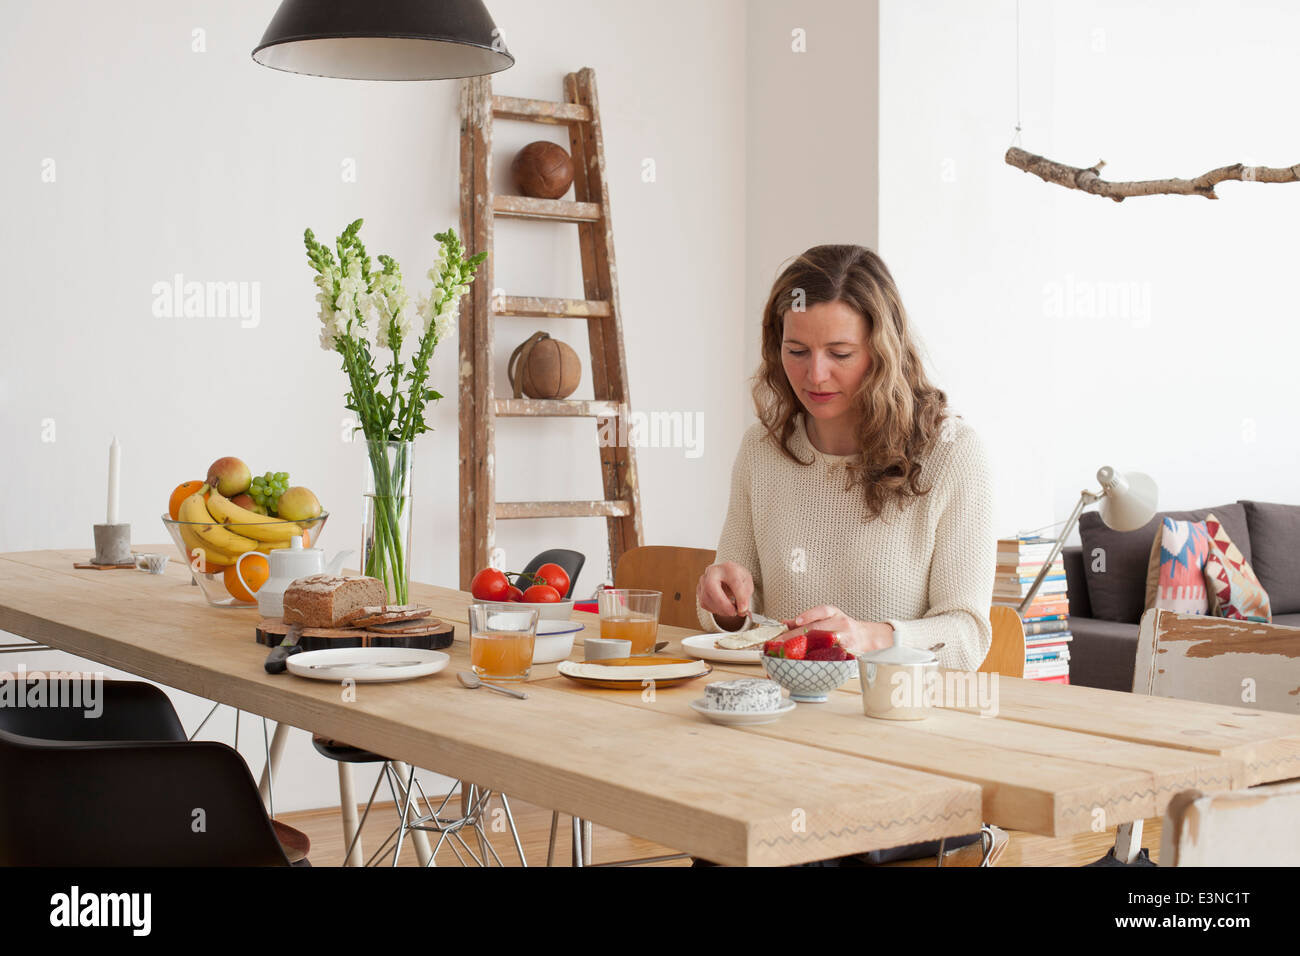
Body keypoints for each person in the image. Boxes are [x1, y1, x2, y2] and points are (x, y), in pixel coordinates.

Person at [692, 243, 995, 865]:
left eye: (840, 354)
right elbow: (736, 621)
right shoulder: (762, 451)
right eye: (796, 351)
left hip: (900, 756)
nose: (815, 375)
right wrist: (724, 602)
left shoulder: (952, 454)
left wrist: (870, 637)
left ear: (882, 353)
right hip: (779, 743)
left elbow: (968, 634)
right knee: (718, 830)